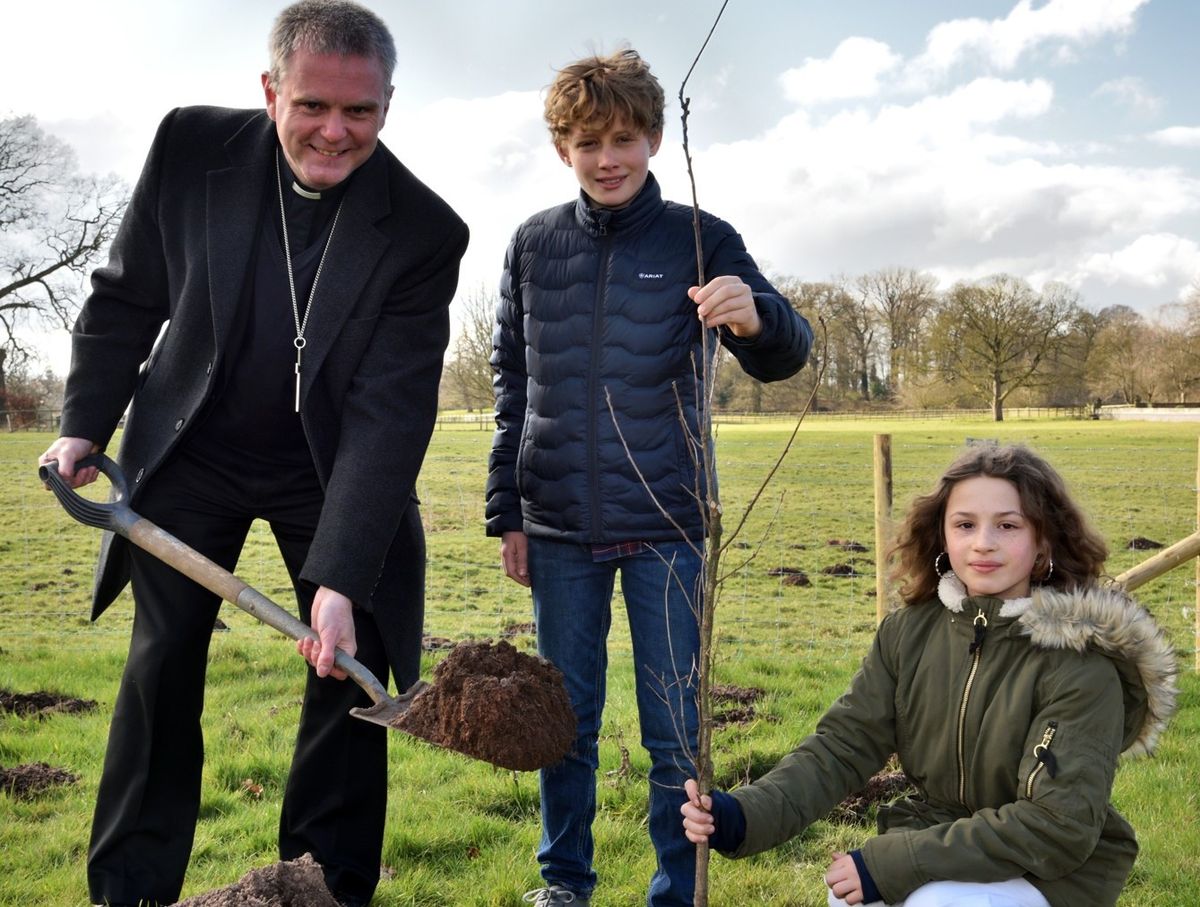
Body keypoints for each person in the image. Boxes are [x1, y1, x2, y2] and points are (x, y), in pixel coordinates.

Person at [38, 2, 468, 904]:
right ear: (271, 90)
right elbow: (126, 298)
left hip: (333, 466)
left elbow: (392, 416)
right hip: (195, 449)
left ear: (389, 104)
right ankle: (130, 888)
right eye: (313, 105)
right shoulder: (193, 150)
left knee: (350, 671)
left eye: (362, 113)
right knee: (162, 662)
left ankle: (320, 886)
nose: (335, 133)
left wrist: (343, 579)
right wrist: (85, 422)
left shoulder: (425, 231)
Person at [487, 49, 812, 907]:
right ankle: (564, 884)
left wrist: (758, 318)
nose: (608, 157)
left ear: (656, 138)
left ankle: (678, 891)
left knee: (675, 733)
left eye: (625, 138)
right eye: (588, 140)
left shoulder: (700, 237)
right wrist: (507, 512)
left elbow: (788, 348)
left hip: (668, 525)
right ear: (563, 147)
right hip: (557, 529)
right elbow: (511, 385)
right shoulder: (531, 243)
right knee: (568, 726)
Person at [680, 444, 1178, 907]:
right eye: (964, 525)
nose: (983, 544)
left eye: (1008, 526)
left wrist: (894, 861)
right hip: (939, 833)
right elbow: (842, 746)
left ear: (1043, 539)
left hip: (1050, 869)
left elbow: (1057, 826)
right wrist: (743, 816)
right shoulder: (909, 632)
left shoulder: (1079, 660)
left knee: (932, 902)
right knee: (852, 899)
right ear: (941, 533)